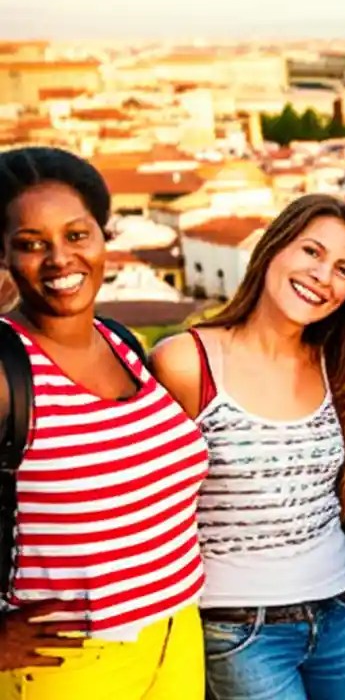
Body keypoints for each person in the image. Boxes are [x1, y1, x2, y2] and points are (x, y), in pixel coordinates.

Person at [151, 194, 345, 700]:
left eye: (343, 269)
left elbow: (314, 482)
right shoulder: (186, 362)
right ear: (273, 248)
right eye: (312, 251)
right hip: (239, 627)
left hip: (342, 606)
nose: (322, 275)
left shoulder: (335, 364)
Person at [0, 147, 209, 698]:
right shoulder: (6, 368)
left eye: (76, 235)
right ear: (4, 255)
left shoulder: (124, 343)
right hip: (68, 663)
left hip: (178, 636)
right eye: (30, 244)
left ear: (103, 238)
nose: (59, 259)